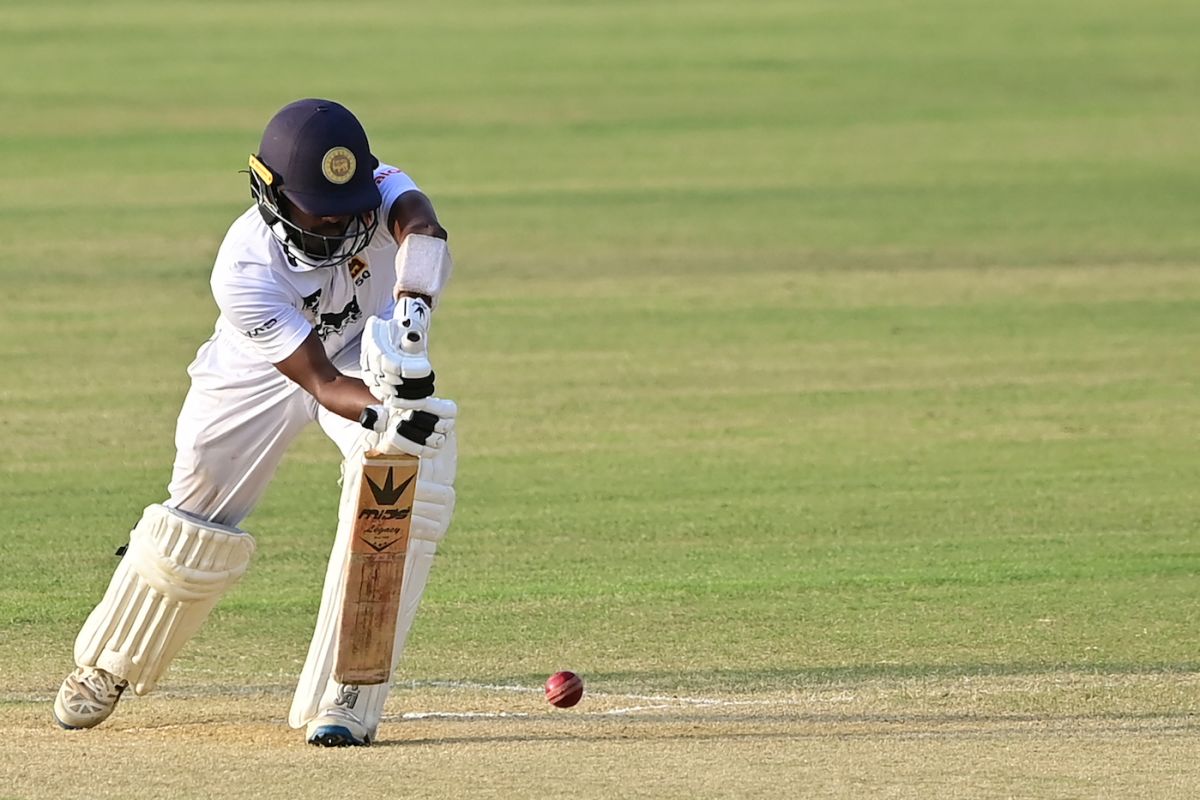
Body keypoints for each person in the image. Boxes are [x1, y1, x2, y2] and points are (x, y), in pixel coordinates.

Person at [52, 98, 459, 747]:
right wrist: (390, 410)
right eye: (319, 212)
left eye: (348, 206)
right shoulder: (244, 268)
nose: (338, 222)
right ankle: (110, 662)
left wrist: (410, 320)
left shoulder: (378, 191)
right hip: (263, 368)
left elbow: (423, 225)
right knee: (198, 512)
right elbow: (322, 383)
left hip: (364, 354)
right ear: (270, 195)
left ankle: (349, 685)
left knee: (410, 472)